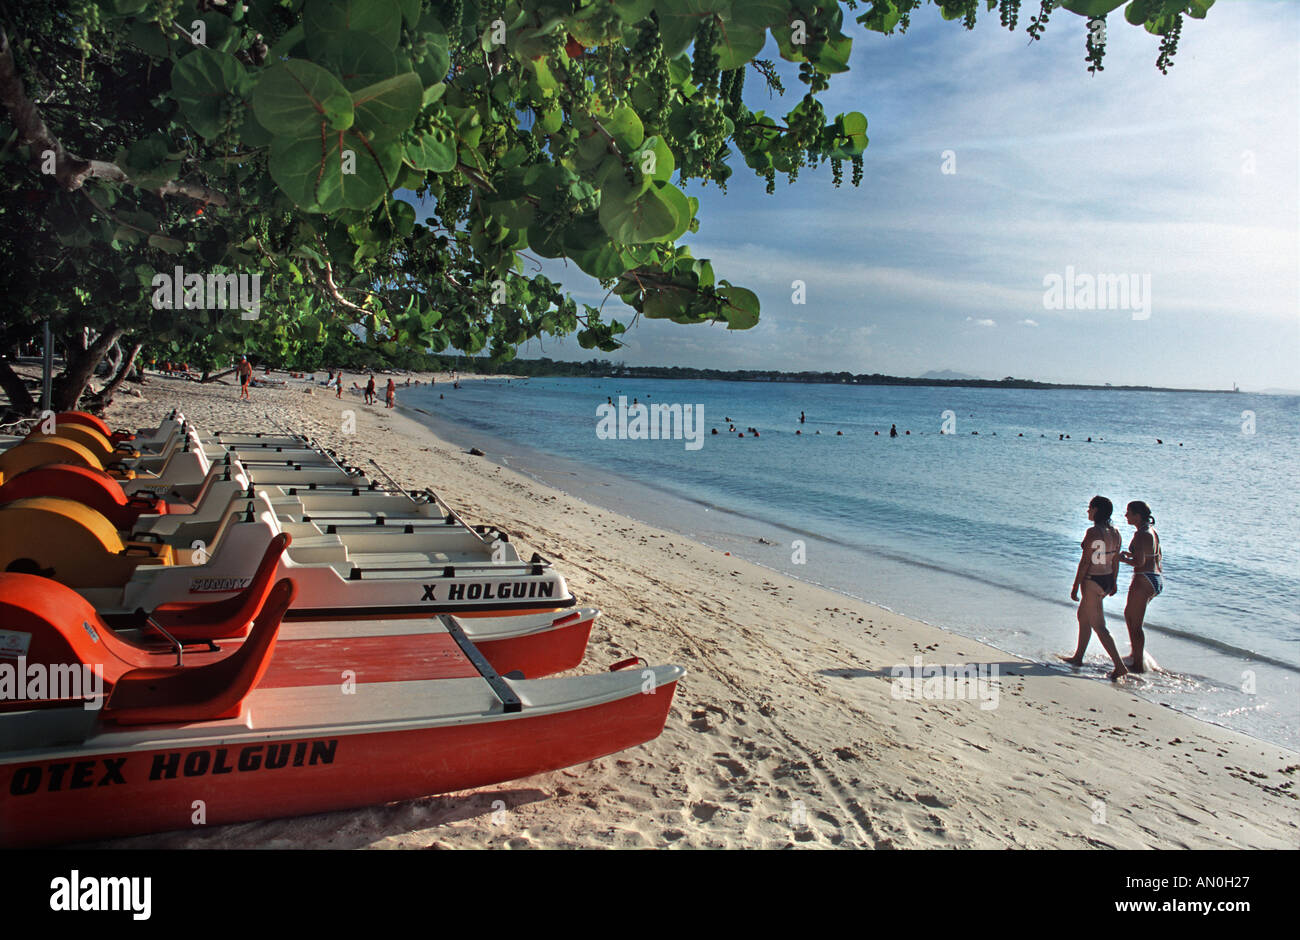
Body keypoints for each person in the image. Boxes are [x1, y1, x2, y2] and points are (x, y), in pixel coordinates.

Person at [1062, 496, 1125, 679]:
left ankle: (1119, 666)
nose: (1088, 511)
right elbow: (1115, 560)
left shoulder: (1093, 532)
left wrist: (1075, 586)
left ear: (1096, 510)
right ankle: (1078, 657)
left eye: (1090, 508)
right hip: (1105, 579)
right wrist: (1114, 582)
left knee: (1099, 625)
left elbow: (1085, 562)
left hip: (1092, 580)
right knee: (1083, 616)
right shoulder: (1116, 532)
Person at [1118, 500, 1163, 673]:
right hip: (1154, 577)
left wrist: (1122, 559)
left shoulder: (1142, 534)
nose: (1126, 515)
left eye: (1128, 512)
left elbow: (1139, 561)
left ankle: (1138, 664)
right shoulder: (1150, 531)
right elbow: (1152, 556)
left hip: (1143, 578)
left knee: (1135, 623)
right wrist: (1130, 554)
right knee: (1129, 616)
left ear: (1137, 515)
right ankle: (1135, 655)